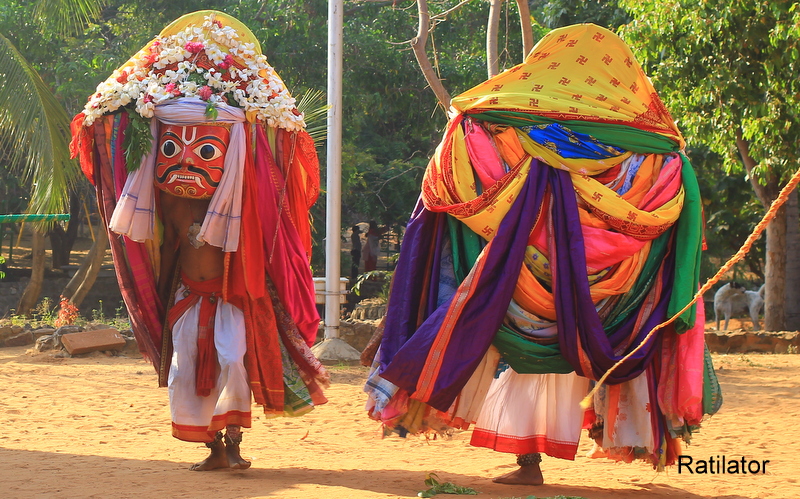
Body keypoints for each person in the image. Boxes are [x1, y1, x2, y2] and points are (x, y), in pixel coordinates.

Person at [364, 24, 721, 486]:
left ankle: (528, 461)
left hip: (517, 275)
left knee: (516, 351)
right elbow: (673, 216)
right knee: (566, 358)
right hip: (619, 287)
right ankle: (589, 442)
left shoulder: (499, 130)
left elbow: (451, 181)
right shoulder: (657, 153)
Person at [70, 11, 329, 471]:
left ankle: (232, 444)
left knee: (233, 363)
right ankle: (213, 448)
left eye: (205, 147)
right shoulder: (161, 199)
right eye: (173, 145)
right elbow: (113, 147)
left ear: (229, 153)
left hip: (233, 294)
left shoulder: (239, 198)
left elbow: (274, 175)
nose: (185, 158)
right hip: (187, 295)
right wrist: (118, 110)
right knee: (185, 371)